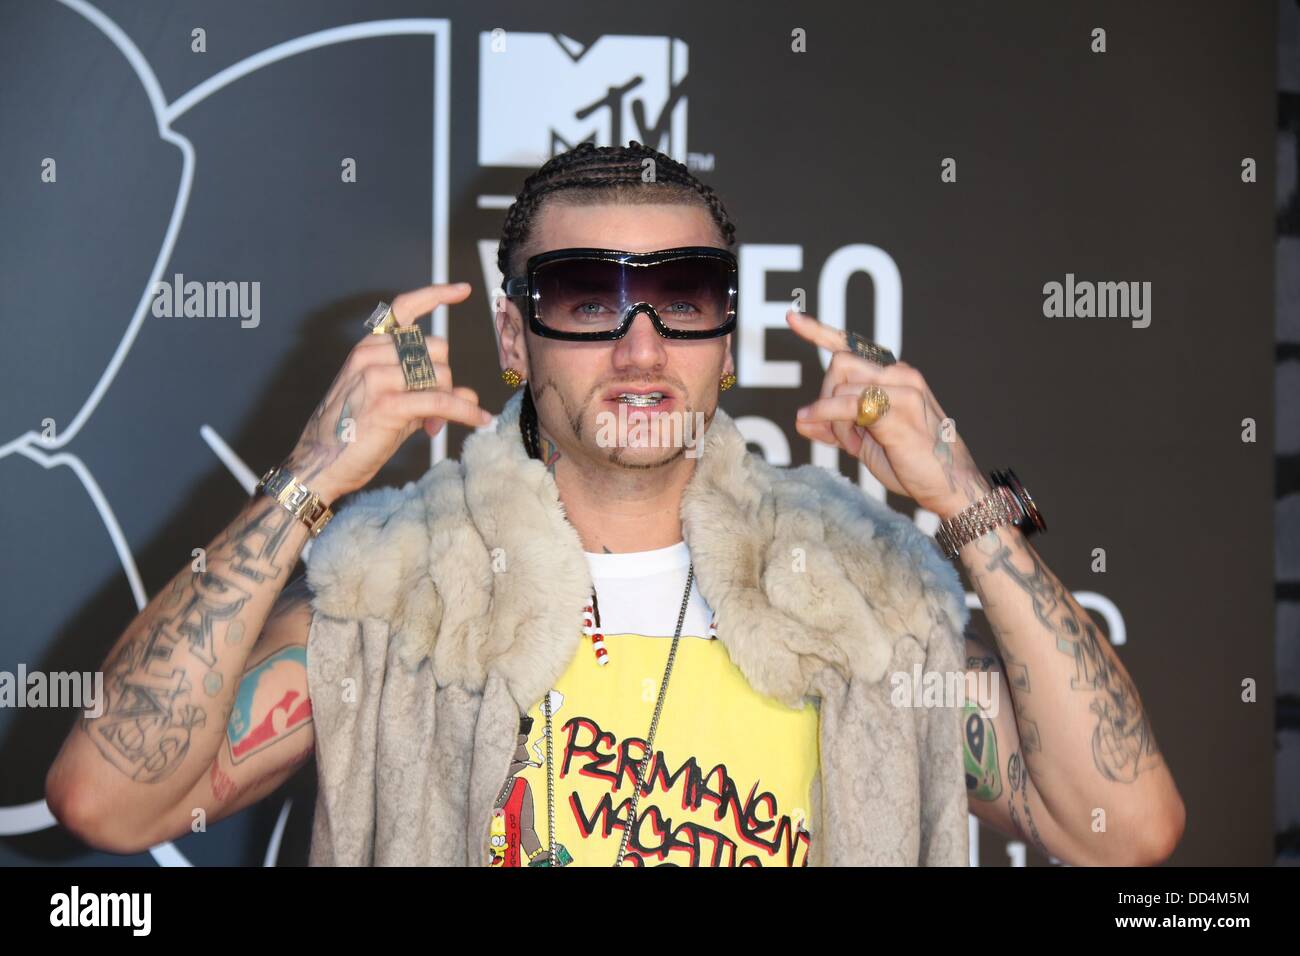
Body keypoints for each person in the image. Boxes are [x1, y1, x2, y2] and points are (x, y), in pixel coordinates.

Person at [46, 141, 1184, 867]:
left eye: (683, 296)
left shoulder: (862, 602)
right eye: (586, 295)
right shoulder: (396, 599)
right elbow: (108, 798)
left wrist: (965, 505)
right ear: (511, 335)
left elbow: (1129, 830)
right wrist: (306, 484)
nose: (640, 345)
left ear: (723, 339)